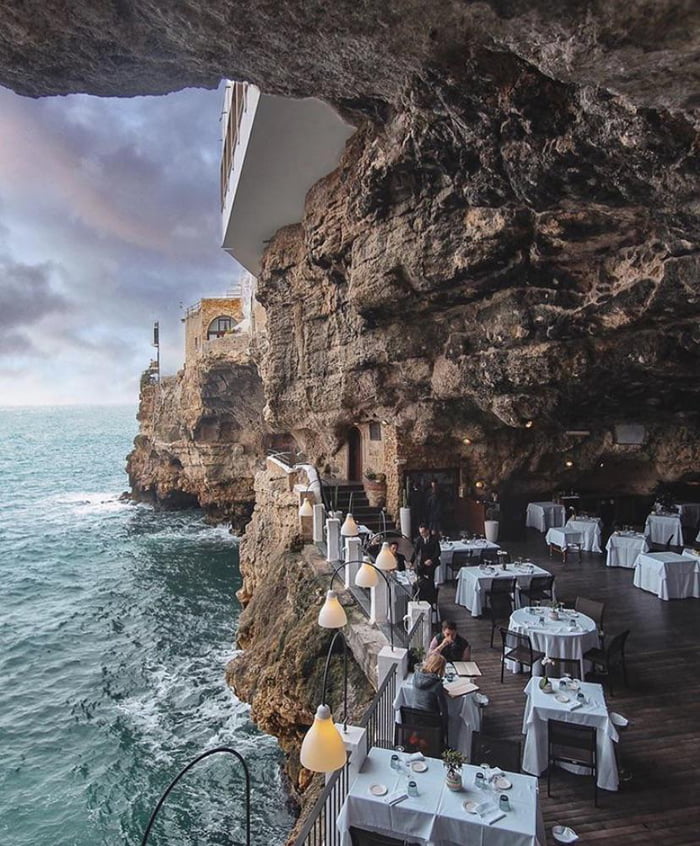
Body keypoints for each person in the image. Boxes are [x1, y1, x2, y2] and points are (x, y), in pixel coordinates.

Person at [411, 652, 448, 729]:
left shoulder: (416, 676)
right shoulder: (437, 684)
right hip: (431, 721)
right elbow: (443, 709)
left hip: (414, 719)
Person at [411, 524, 440, 605]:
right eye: (420, 532)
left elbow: (438, 552)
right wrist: (411, 561)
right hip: (423, 562)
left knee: (430, 580)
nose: (422, 534)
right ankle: (420, 594)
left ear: (427, 531)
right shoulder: (419, 539)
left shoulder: (434, 539)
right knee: (419, 574)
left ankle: (430, 597)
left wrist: (431, 560)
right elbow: (415, 551)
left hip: (432, 562)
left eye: (423, 532)